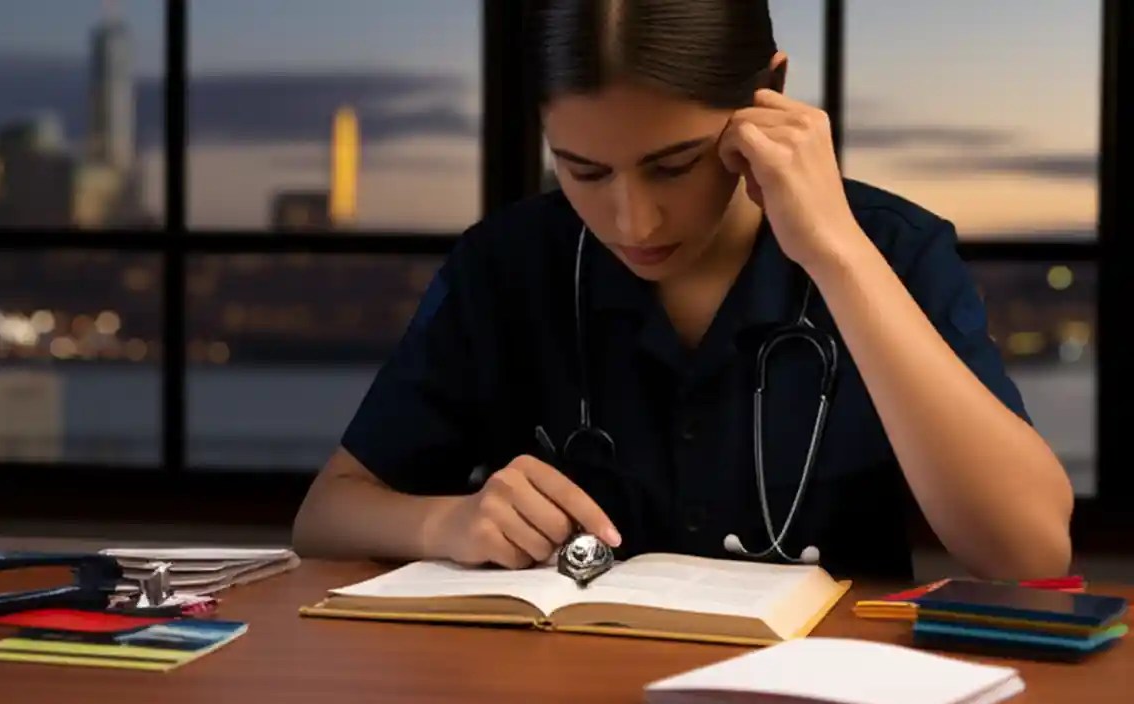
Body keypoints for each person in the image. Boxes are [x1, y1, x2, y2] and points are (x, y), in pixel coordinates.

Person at [293, 0, 1074, 581]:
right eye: (583, 170)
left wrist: (835, 252)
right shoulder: (506, 266)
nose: (632, 220)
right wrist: (447, 522)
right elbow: (325, 516)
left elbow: (1030, 553)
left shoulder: (891, 249)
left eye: (675, 165)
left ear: (770, 95)